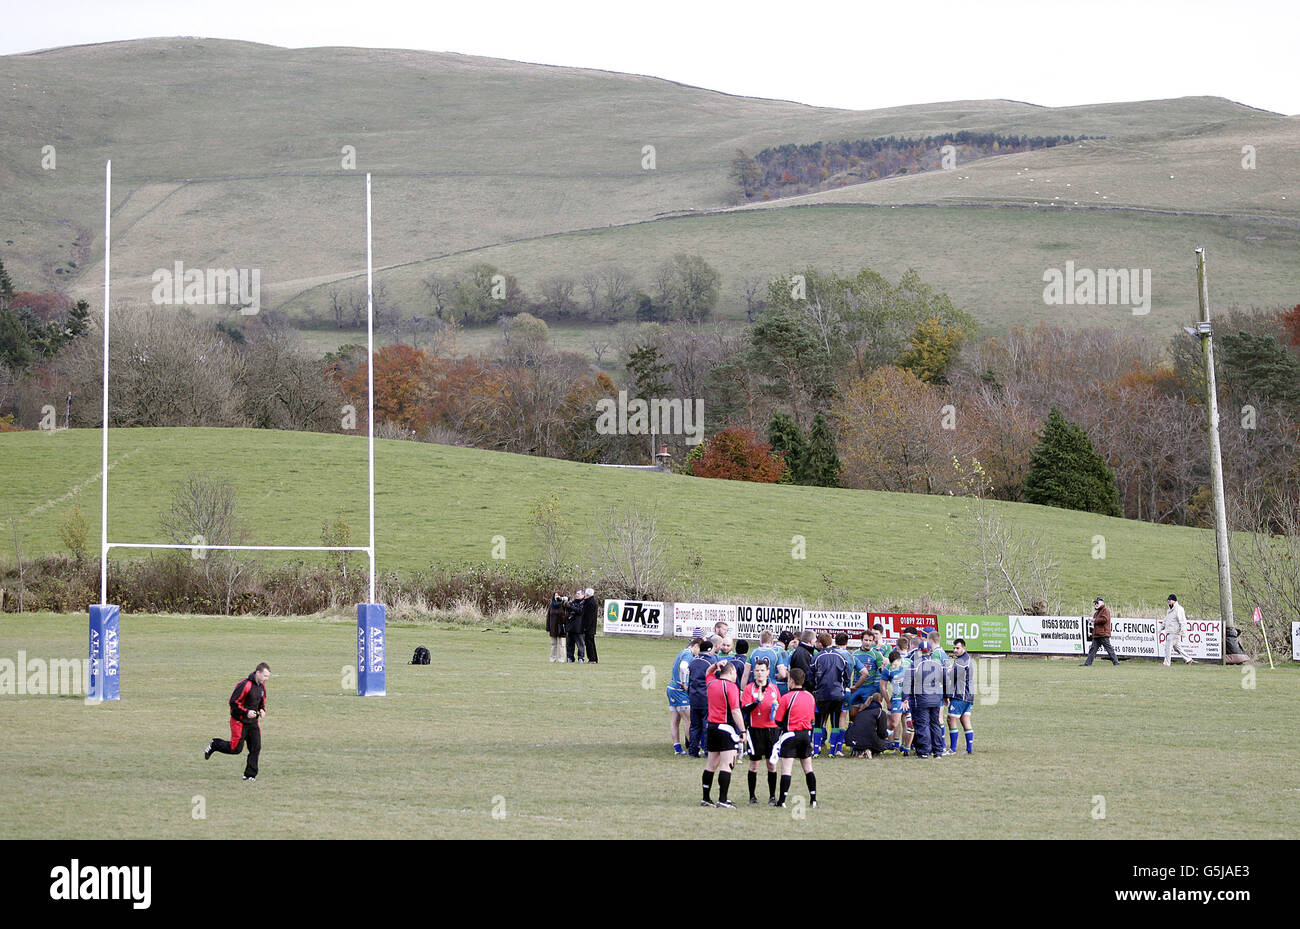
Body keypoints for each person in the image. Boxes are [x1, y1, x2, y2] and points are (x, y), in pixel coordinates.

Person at [204, 662, 270, 781]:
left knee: (256, 747)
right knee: (235, 749)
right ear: (258, 673)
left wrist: (262, 709)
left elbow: (262, 702)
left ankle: (249, 775)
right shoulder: (244, 685)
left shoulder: (262, 687)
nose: (267, 679)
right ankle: (215, 744)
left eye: (268, 676)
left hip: (253, 723)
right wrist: (246, 712)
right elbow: (233, 702)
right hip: (239, 721)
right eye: (265, 676)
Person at [700, 660, 747, 808]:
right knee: (727, 764)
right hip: (726, 728)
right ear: (732, 672)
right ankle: (722, 799)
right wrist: (743, 730)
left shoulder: (711, 683)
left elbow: (708, 673)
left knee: (711, 764)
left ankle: (706, 798)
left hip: (711, 727)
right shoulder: (731, 687)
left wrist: (715, 665)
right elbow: (735, 710)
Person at [772, 667, 817, 808]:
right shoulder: (810, 696)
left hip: (790, 735)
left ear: (791, 680)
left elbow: (778, 721)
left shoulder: (786, 697)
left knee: (786, 769)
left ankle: (782, 801)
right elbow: (811, 718)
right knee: (808, 768)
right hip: (805, 735)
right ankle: (813, 799)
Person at [740, 657, 781, 805]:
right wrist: (756, 702)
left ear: (768, 672)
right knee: (754, 764)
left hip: (771, 731)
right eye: (757, 670)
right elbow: (744, 708)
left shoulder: (774, 689)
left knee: (772, 764)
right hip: (755, 731)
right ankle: (752, 796)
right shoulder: (749, 688)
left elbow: (780, 706)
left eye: (762, 670)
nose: (759, 673)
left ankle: (772, 796)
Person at [810, 632, 852, 757]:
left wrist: (814, 688)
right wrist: (843, 688)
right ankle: (832, 751)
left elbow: (810, 676)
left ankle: (816, 750)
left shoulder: (817, 657)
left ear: (820, 643)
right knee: (835, 722)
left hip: (821, 695)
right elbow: (847, 676)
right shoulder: (840, 657)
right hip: (837, 695)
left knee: (819, 722)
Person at [907, 638, 945, 758]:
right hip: (935, 700)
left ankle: (924, 752)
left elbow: (907, 683)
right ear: (930, 651)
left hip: (920, 700)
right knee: (935, 724)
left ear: (919, 651)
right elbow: (946, 680)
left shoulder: (914, 665)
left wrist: (904, 698)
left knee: (923, 725)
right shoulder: (937, 664)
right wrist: (946, 697)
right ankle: (938, 751)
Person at [668, 638, 702, 755]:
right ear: (696, 646)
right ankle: (694, 748)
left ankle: (677, 749)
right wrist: (684, 682)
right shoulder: (688, 655)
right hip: (680, 690)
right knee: (689, 720)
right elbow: (683, 667)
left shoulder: (682, 652)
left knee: (675, 720)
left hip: (671, 688)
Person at [686, 638, 718, 757]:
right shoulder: (711, 662)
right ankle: (707, 750)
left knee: (694, 726)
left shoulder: (693, 661)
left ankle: (693, 750)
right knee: (706, 725)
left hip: (694, 697)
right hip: (706, 698)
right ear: (710, 651)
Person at [945, 638, 975, 754]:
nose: (955, 650)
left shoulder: (961, 661)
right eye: (954, 648)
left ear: (964, 648)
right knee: (965, 720)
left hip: (960, 695)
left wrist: (948, 670)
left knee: (951, 719)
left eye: (957, 648)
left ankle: (952, 749)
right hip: (969, 696)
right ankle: (969, 749)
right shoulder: (967, 659)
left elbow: (953, 675)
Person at [879, 649, 910, 755]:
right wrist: (887, 701)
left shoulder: (909, 664)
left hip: (908, 698)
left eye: (895, 664)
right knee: (894, 722)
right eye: (892, 664)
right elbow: (882, 686)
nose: (894, 666)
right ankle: (889, 744)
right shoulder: (888, 669)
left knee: (907, 723)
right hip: (896, 699)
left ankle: (905, 747)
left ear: (900, 660)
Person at [845, 693, 890, 758]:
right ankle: (868, 750)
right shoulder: (880, 712)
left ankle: (860, 751)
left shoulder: (862, 711)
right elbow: (882, 732)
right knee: (887, 744)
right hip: (867, 740)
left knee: (865, 737)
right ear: (881, 701)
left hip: (852, 740)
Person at [1081, 596, 1118, 666]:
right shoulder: (1097, 612)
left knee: (1109, 649)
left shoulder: (1105, 610)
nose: (1096, 604)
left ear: (1101, 603)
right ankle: (1088, 663)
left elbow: (1104, 620)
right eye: (1095, 603)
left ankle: (1116, 662)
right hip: (1097, 634)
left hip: (1103, 634)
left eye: (1097, 603)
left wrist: (1094, 620)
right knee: (1092, 650)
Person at [1161, 594, 1195, 666]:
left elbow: (1182, 621)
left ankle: (1166, 663)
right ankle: (1188, 659)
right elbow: (1166, 620)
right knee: (1177, 648)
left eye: (1170, 600)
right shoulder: (1169, 610)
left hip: (1175, 632)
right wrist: (1162, 627)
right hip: (1170, 631)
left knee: (1168, 647)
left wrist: (1183, 632)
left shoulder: (1179, 609)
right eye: (1168, 600)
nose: (1169, 601)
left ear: (1174, 601)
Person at [545, 592, 568, 662]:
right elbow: (548, 616)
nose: (556, 597)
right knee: (553, 644)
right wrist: (548, 627)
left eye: (558, 595)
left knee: (562, 645)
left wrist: (564, 599)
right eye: (555, 595)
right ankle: (553, 658)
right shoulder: (551, 605)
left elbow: (568, 602)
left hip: (561, 627)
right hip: (553, 627)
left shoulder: (563, 604)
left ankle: (561, 659)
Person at [565, 589, 586, 662]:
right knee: (569, 644)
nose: (577, 595)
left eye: (579, 593)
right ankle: (570, 657)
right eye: (576, 593)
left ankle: (581, 658)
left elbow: (580, 611)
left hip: (579, 627)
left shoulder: (584, 603)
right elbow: (568, 611)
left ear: (583, 595)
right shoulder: (573, 602)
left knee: (580, 644)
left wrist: (571, 607)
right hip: (570, 626)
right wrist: (566, 604)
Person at [581, 587, 599, 664]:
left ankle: (592, 659)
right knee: (591, 642)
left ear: (587, 594)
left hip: (589, 627)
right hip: (590, 627)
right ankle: (594, 658)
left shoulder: (590, 603)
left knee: (589, 643)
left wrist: (586, 627)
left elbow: (589, 617)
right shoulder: (590, 602)